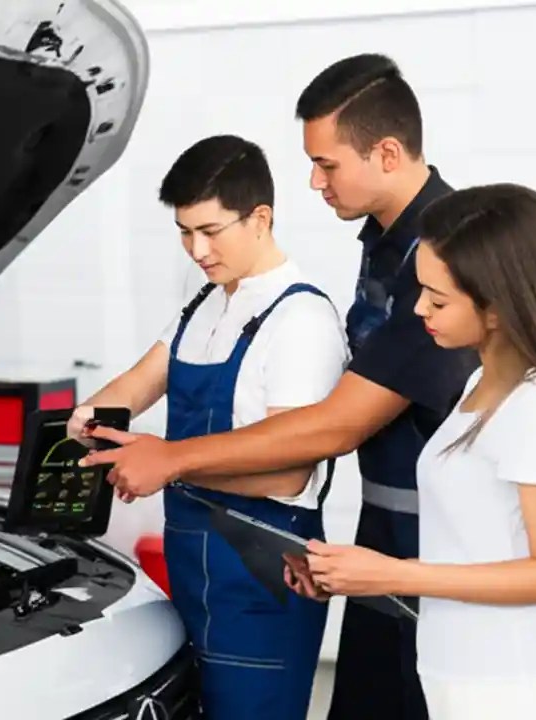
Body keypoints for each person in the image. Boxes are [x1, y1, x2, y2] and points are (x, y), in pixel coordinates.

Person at [82, 54, 479, 719]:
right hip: (380, 532)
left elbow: (334, 429)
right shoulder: (382, 242)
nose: (314, 181)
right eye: (186, 233)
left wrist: (170, 460)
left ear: (386, 152)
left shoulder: (439, 252)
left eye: (326, 164)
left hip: (436, 543)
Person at [68, 133, 348, 720]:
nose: (196, 249)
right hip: (191, 568)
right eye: (184, 232)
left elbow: (290, 470)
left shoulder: (300, 319)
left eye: (210, 231)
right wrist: (88, 417)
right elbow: (141, 380)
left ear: (260, 219)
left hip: (262, 577)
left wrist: (167, 461)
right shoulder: (201, 306)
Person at [298, 183, 536, 720]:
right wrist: (347, 574)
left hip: (507, 694)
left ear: (497, 308)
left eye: (437, 299)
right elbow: (466, 550)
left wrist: (391, 573)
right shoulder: (478, 386)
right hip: (449, 679)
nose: (419, 310)